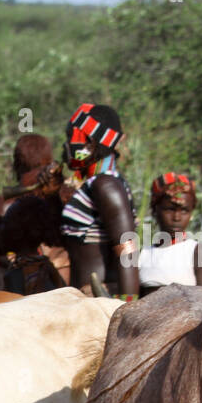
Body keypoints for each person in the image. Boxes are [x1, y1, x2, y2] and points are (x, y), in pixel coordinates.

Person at [58, 103, 138, 297]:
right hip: (85, 298)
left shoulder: (106, 185)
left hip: (99, 299)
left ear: (90, 144)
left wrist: (127, 305)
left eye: (70, 138)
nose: (66, 145)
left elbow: (127, 250)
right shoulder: (93, 183)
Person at [136, 172, 202, 295]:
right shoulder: (143, 254)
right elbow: (132, 300)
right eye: (169, 209)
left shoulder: (197, 252)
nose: (177, 218)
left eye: (184, 210)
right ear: (155, 210)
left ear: (191, 213)